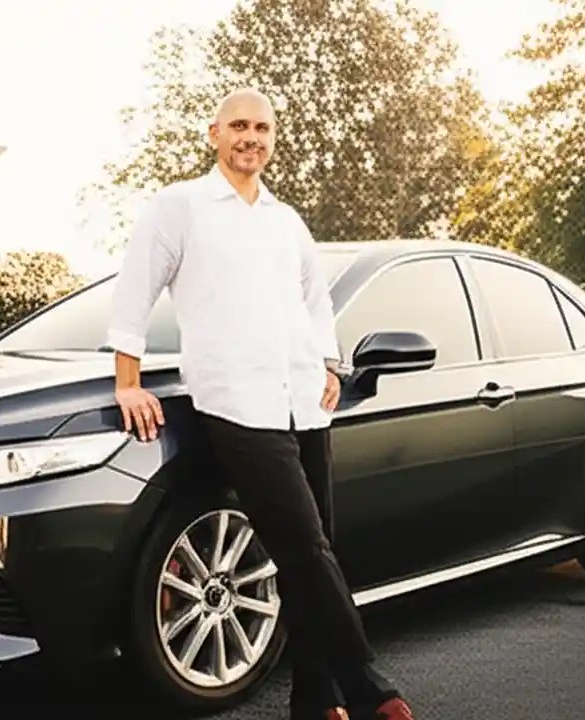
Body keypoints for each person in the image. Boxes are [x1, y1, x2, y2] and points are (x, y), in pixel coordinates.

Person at [106, 88, 415, 720]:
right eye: (239, 126)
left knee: (314, 549)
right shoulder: (180, 207)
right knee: (303, 546)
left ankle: (315, 698)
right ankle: (367, 684)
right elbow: (135, 290)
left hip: (302, 398)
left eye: (262, 128)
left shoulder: (286, 220)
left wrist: (328, 361)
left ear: (273, 138)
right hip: (236, 401)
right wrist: (127, 381)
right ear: (214, 133)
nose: (251, 137)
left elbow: (315, 300)